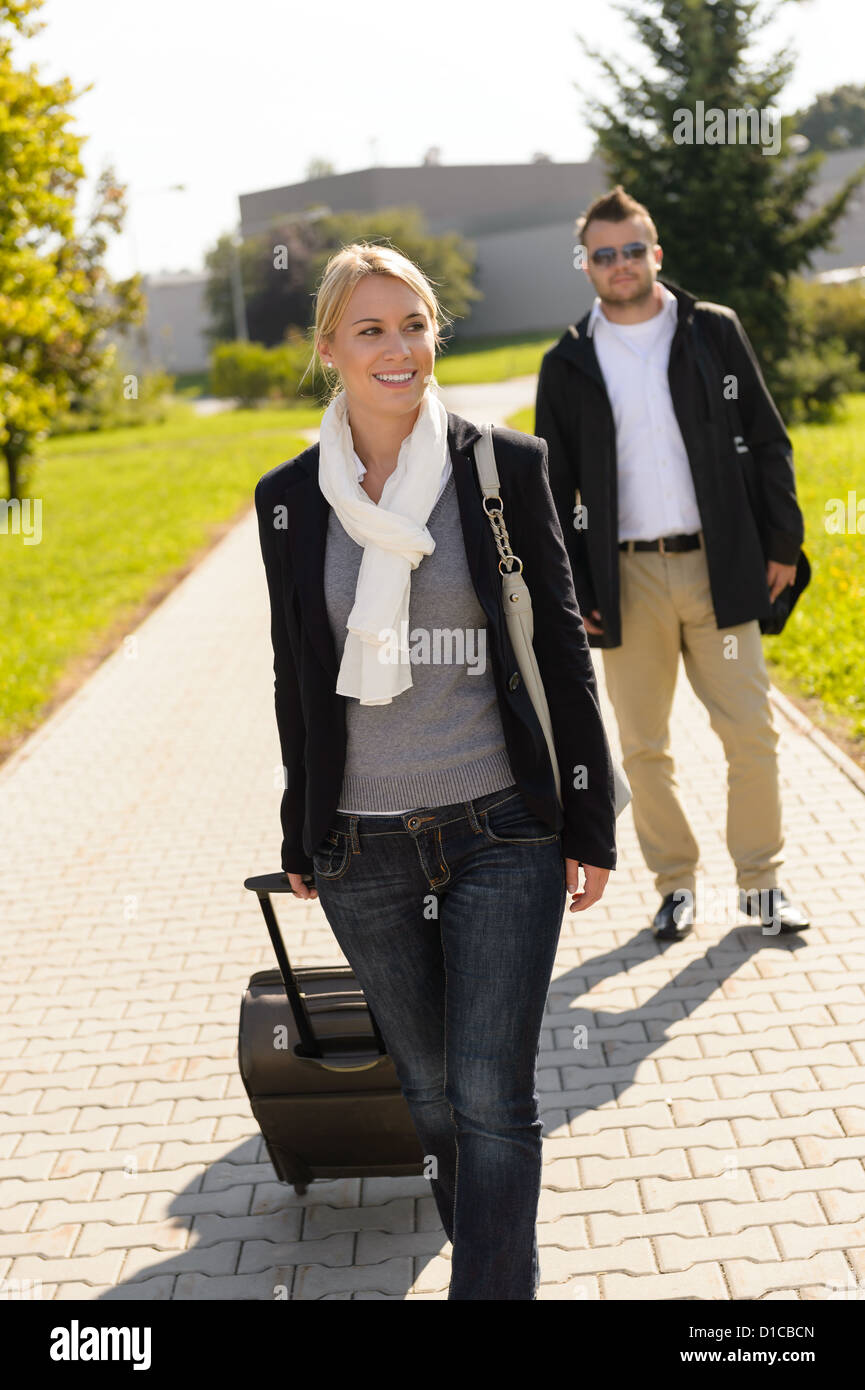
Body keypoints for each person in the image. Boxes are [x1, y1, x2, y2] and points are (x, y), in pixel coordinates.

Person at [253, 242, 618, 1300]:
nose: (398, 347)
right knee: (427, 1092)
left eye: (412, 324)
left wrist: (588, 821)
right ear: (328, 348)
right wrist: (300, 828)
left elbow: (558, 648)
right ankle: (497, 1267)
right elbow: (295, 675)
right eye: (370, 329)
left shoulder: (502, 467)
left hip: (502, 826)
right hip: (361, 844)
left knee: (489, 1094)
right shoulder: (289, 500)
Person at [535, 185, 810, 942]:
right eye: (603, 254)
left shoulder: (711, 333)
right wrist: (572, 590)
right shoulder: (566, 362)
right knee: (641, 745)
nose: (620, 264)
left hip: (719, 567)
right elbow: (552, 491)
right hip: (623, 581)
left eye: (632, 250)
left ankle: (760, 887)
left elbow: (767, 438)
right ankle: (674, 886)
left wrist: (781, 545)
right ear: (585, 265)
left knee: (749, 733)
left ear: (655, 254)